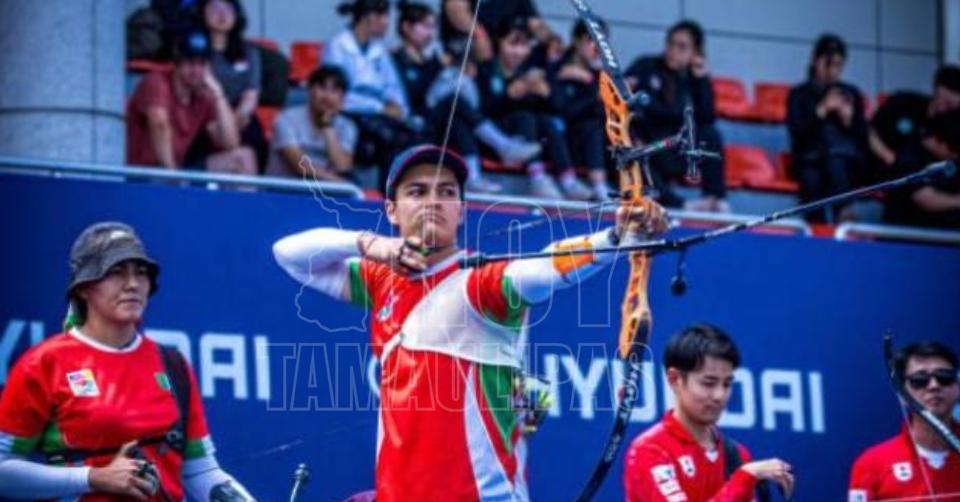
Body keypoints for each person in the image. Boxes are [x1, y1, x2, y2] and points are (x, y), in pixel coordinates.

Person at [273, 144, 669, 500]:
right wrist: (369, 244)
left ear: (461, 210)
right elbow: (288, 254)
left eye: (447, 193)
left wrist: (618, 236)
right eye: (417, 191)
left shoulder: (484, 282)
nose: (434, 202)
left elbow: (547, 266)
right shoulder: (380, 281)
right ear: (391, 210)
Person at [0, 222, 255, 501]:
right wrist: (92, 477)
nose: (132, 284)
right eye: (116, 272)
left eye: (141, 273)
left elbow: (200, 473)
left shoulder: (172, 363)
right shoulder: (43, 364)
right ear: (84, 287)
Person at [623, 324, 795, 501]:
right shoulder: (650, 450)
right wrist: (745, 477)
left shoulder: (737, 455)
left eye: (727, 384)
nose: (720, 395)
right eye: (708, 383)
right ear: (675, 379)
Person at [393, 0, 539, 192]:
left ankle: (473, 175)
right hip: (418, 120)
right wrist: (438, 68)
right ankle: (501, 144)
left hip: (445, 121)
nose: (430, 32)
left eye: (433, 26)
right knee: (453, 101)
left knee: (457, 113)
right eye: (424, 26)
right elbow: (413, 96)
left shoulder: (436, 55)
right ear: (406, 27)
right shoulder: (396, 58)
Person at [477, 19, 588, 200]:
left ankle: (568, 180)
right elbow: (482, 112)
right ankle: (537, 177)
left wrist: (546, 94)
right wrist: (509, 96)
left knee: (545, 120)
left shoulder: (533, 72)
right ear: (499, 42)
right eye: (513, 44)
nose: (519, 52)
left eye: (524, 46)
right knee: (524, 116)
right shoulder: (487, 69)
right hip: (495, 140)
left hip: (530, 140)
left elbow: (560, 109)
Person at [624, 20, 727, 212]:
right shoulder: (646, 66)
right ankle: (681, 204)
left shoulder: (694, 78)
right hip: (649, 143)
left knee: (711, 134)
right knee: (632, 147)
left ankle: (716, 199)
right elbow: (623, 101)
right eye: (671, 44)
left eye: (682, 47)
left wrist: (702, 80)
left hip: (677, 149)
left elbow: (707, 118)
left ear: (696, 52)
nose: (673, 50)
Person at [126, 30, 257, 176]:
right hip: (142, 174)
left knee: (243, 157)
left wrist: (219, 94)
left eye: (202, 64)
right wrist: (172, 176)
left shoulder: (203, 95)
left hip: (177, 171)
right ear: (177, 62)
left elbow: (230, 143)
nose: (196, 70)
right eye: (190, 62)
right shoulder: (157, 81)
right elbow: (159, 124)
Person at [848, 340, 960, 500]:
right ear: (902, 395)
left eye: (944, 377)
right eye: (920, 380)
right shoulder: (871, 463)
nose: (934, 385)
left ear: (958, 387)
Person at [325, 0, 419, 189]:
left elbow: (393, 87)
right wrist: (380, 108)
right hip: (350, 112)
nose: (387, 23)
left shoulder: (380, 50)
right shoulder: (337, 46)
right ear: (370, 17)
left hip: (380, 114)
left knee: (415, 136)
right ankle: (386, 194)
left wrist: (399, 108)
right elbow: (337, 94)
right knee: (387, 139)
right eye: (384, 17)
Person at [787, 34, 869, 222]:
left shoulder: (851, 93)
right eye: (829, 63)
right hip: (809, 159)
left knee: (836, 160)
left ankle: (844, 211)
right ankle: (818, 229)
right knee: (812, 178)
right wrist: (821, 110)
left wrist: (849, 119)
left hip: (845, 162)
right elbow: (797, 133)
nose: (833, 70)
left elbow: (864, 138)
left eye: (839, 65)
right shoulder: (799, 94)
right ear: (816, 61)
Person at [197, 0, 269, 171]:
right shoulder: (197, 50)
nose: (222, 14)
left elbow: (251, 92)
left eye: (228, 9)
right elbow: (199, 88)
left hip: (240, 114)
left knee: (252, 142)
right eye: (215, 8)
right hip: (205, 112)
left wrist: (236, 119)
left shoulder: (249, 52)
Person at [550, 18, 617, 201]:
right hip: (561, 142)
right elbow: (559, 109)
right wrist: (592, 93)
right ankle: (598, 185)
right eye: (591, 40)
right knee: (591, 124)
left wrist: (589, 82)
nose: (597, 47)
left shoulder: (599, 76)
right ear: (576, 40)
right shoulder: (558, 68)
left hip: (594, 147)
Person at [266, 65, 358, 182]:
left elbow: (342, 166)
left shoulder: (347, 126)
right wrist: (337, 181)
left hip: (327, 193)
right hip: (286, 190)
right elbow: (300, 165)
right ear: (310, 90)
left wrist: (327, 126)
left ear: (342, 98)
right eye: (322, 88)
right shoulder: (286, 119)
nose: (327, 96)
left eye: (334, 91)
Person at [870, 65, 960, 168]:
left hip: (921, 173)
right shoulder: (904, 102)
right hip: (881, 161)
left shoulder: (953, 124)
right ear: (936, 87)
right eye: (947, 90)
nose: (948, 98)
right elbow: (872, 129)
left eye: (950, 103)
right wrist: (887, 155)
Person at [883, 110, 960, 229]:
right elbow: (925, 199)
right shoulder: (909, 157)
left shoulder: (950, 159)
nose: (955, 157)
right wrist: (957, 201)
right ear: (942, 144)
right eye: (955, 152)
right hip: (909, 232)